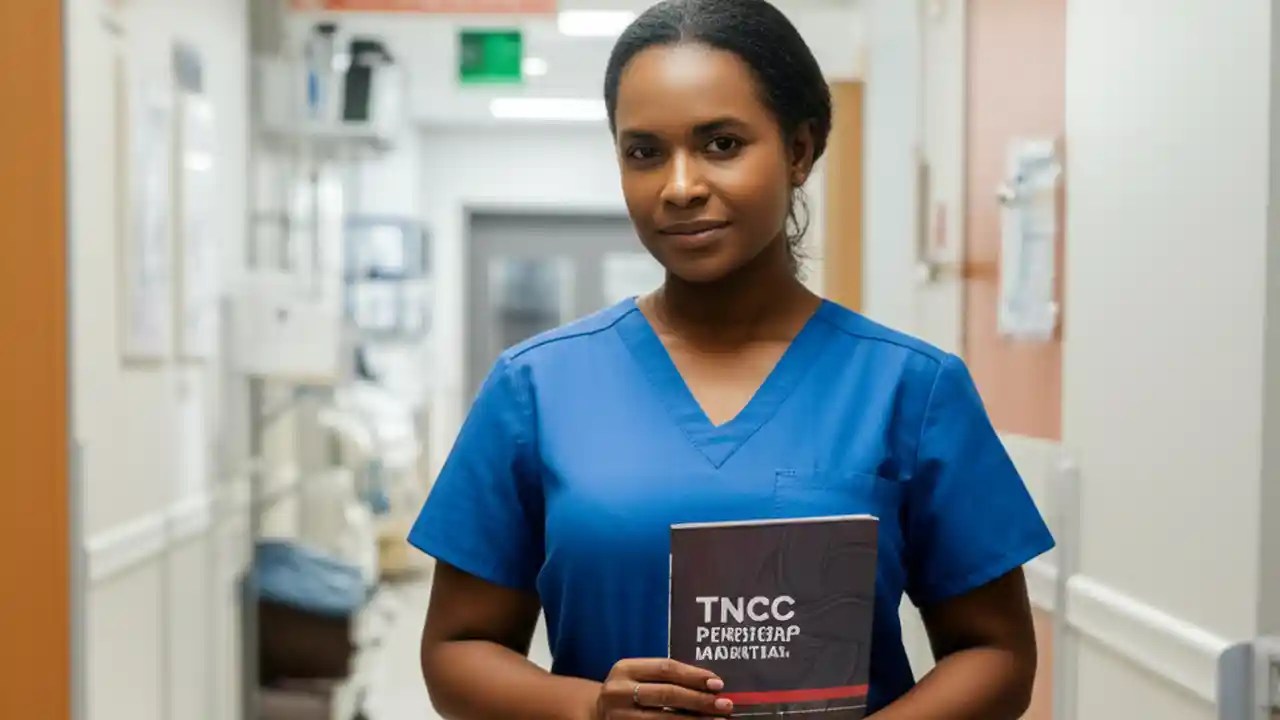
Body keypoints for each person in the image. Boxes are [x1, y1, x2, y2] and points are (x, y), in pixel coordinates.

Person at [408, 0, 1055, 717]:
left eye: (721, 144)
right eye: (644, 152)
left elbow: (997, 654)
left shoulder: (911, 389)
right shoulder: (536, 389)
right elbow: (455, 652)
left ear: (800, 150)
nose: (679, 186)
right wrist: (586, 710)